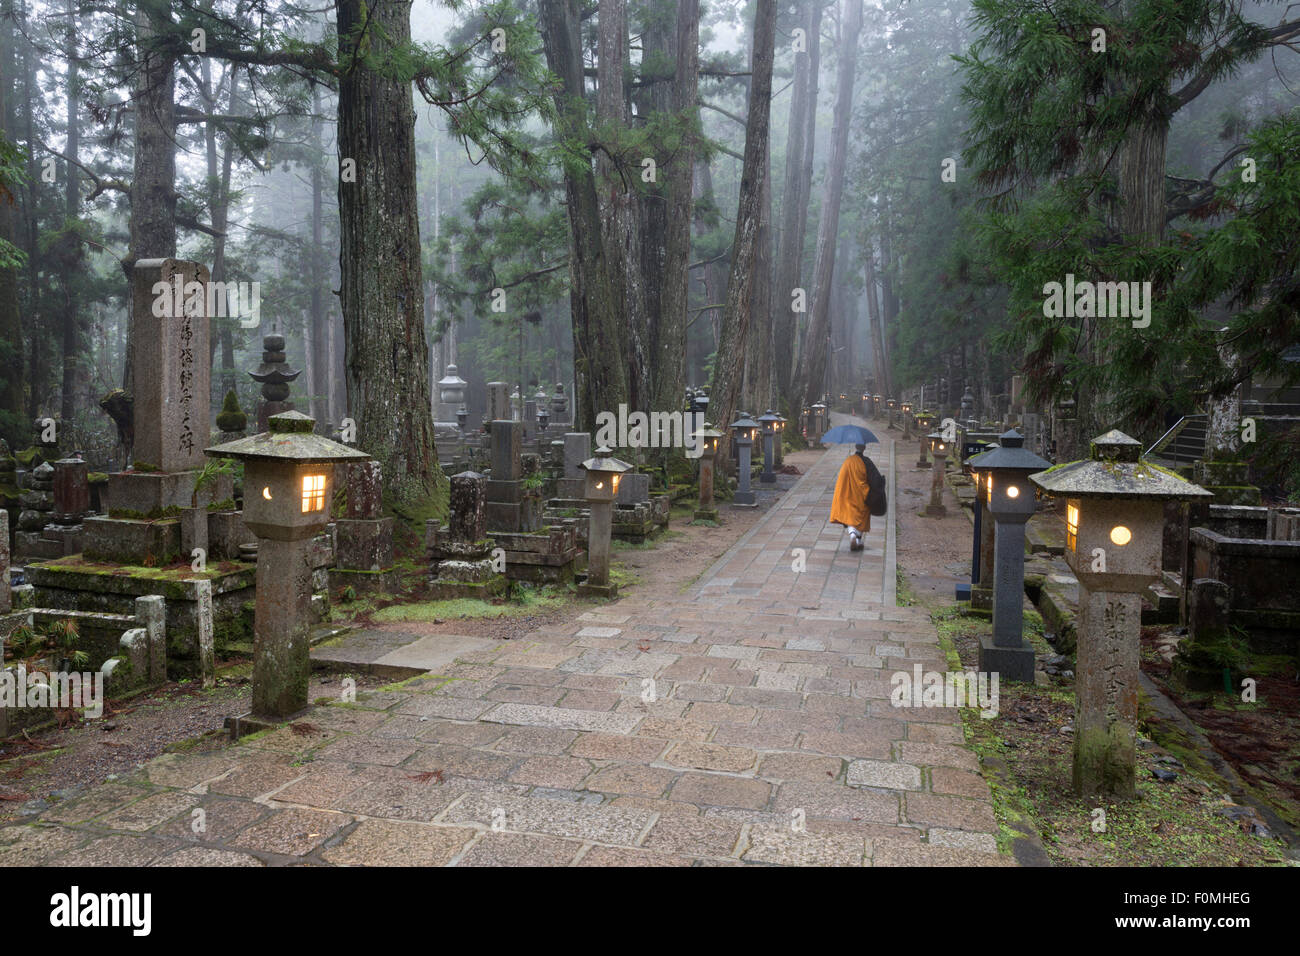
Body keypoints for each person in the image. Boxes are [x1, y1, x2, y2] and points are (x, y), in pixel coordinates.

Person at [830, 443, 883, 551]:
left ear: (856, 447)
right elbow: (875, 478)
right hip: (862, 495)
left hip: (848, 495)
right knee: (862, 517)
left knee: (850, 516)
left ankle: (853, 535)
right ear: (864, 448)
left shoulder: (848, 461)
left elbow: (841, 479)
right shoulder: (866, 462)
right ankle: (858, 539)